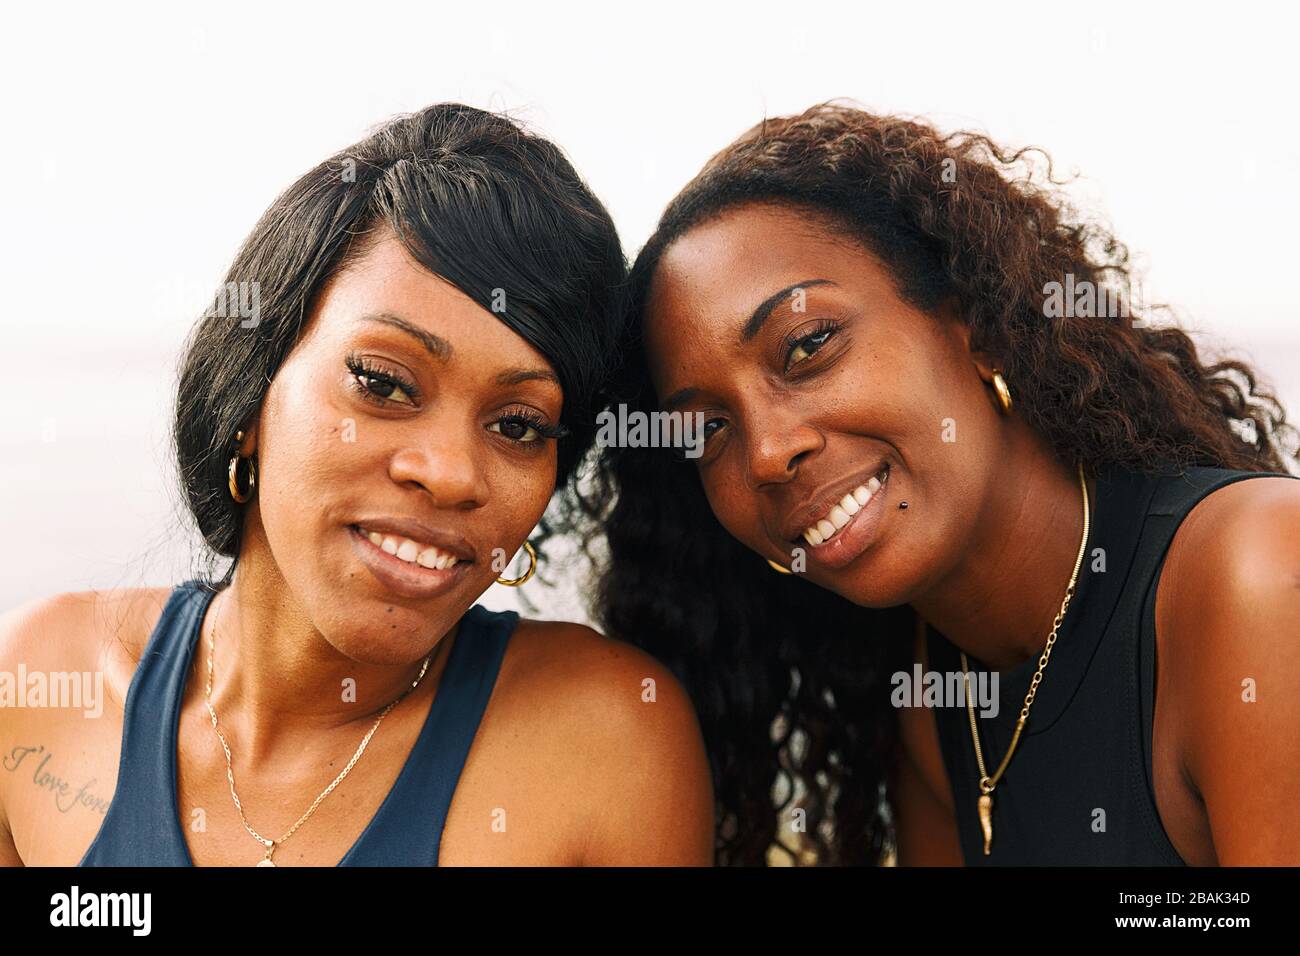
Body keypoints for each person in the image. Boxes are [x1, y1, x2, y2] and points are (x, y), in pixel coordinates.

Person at [582, 102, 1300, 865]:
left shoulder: (1255, 577)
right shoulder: (938, 690)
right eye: (706, 432)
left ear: (977, 324)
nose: (765, 453)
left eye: (807, 346)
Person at [0, 103, 714, 867]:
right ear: (248, 399)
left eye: (517, 425)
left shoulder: (605, 746)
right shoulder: (47, 685)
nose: (449, 474)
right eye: (382, 382)